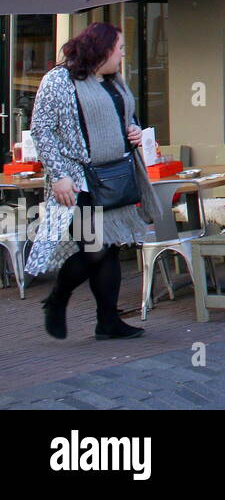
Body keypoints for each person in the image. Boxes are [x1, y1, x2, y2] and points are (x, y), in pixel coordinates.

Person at [25, 22, 157, 340]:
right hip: (78, 181)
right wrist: (59, 176)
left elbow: (124, 117)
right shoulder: (59, 80)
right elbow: (42, 129)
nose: (123, 54)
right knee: (95, 249)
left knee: (108, 248)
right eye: (120, 48)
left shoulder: (113, 81)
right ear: (102, 49)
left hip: (114, 177)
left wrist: (135, 131)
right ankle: (57, 299)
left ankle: (107, 322)